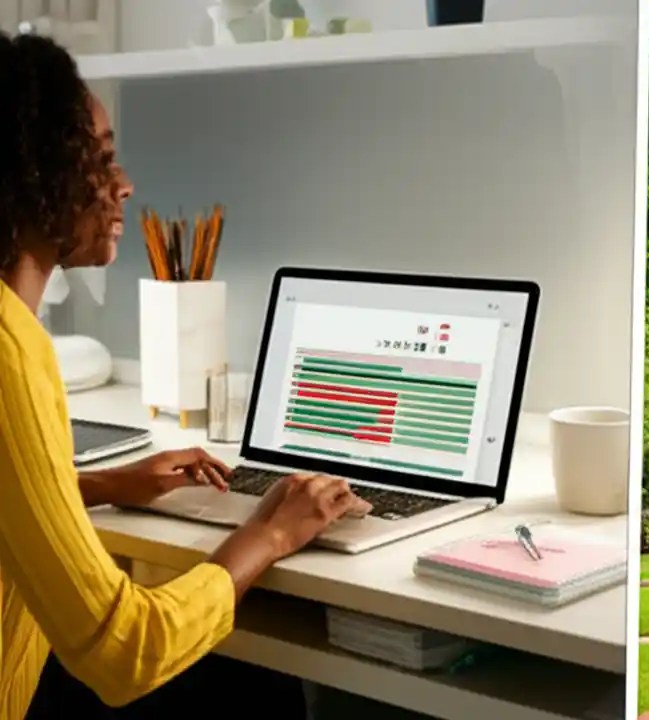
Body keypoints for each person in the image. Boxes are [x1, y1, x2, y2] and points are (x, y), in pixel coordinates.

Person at [0, 31, 371, 718]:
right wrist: (271, 534)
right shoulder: (11, 355)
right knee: (257, 687)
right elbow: (122, 650)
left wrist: (96, 485)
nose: (123, 184)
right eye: (101, 159)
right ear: (34, 173)